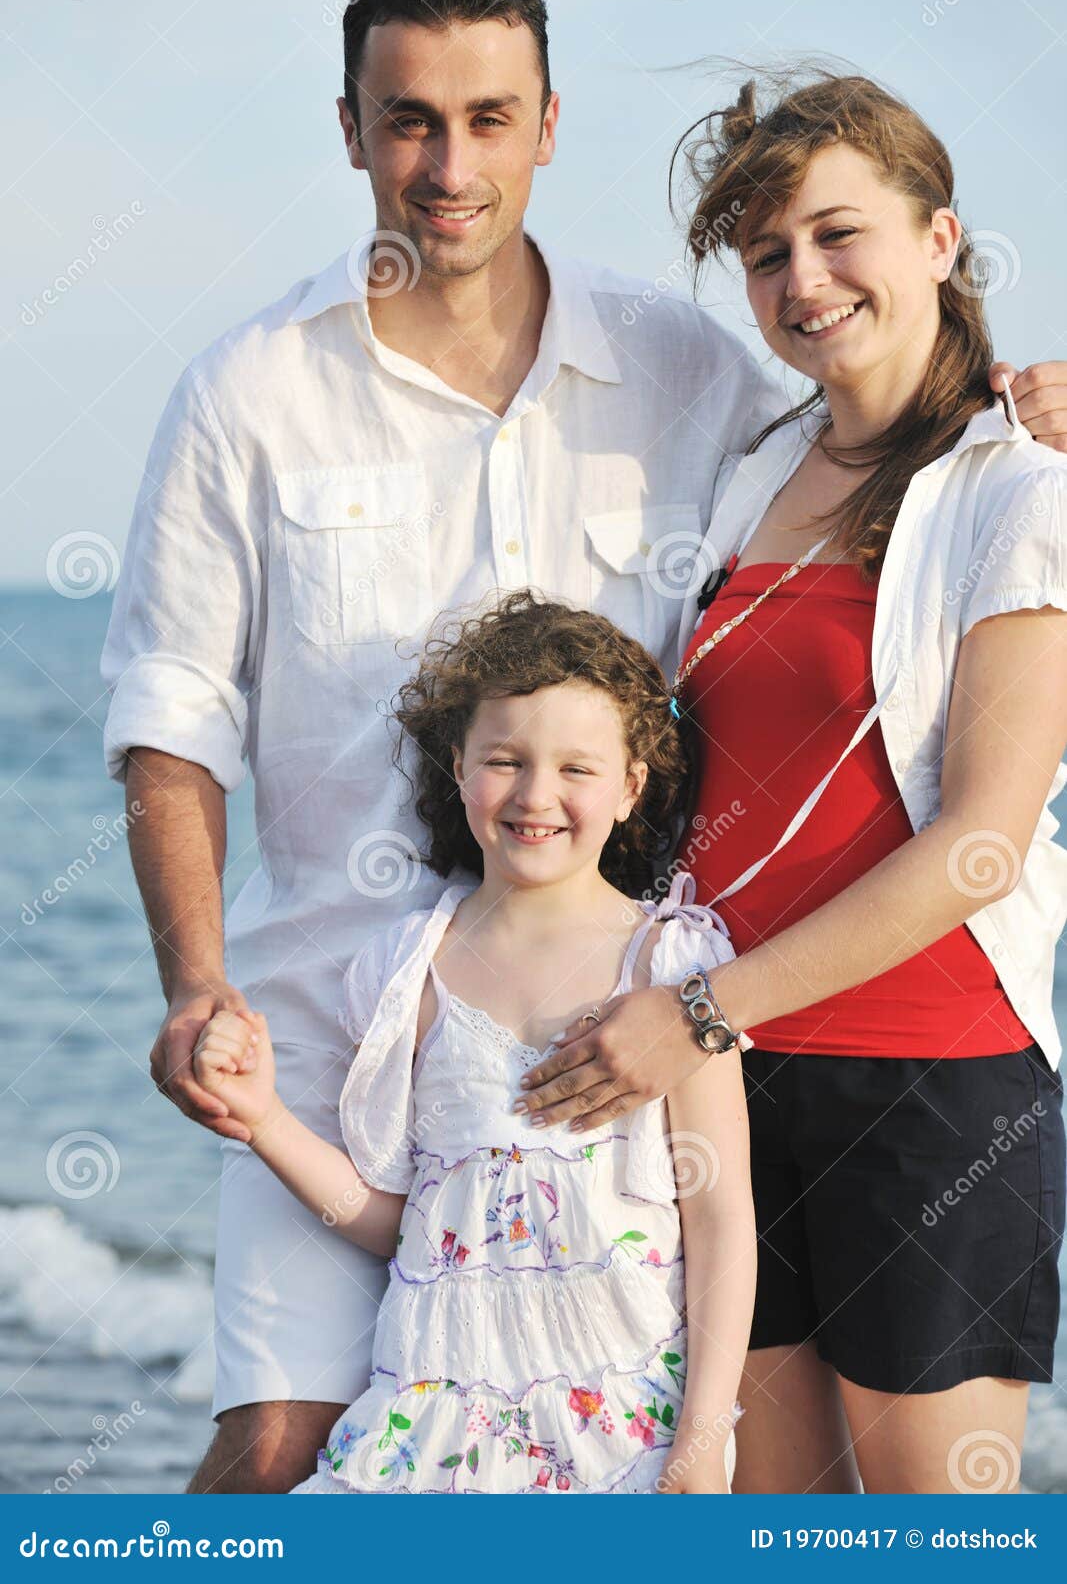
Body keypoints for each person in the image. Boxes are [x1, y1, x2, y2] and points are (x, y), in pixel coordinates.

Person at [98, 0, 1067, 1493]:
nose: (448, 162)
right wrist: (196, 983)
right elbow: (172, 712)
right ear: (350, 129)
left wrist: (1033, 412)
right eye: (408, 119)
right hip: (366, 1029)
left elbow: (914, 495)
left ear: (549, 124)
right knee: (285, 1441)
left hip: (659, 1045)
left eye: (488, 117)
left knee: (657, 1478)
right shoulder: (251, 391)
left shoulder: (691, 377)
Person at [516, 71, 1067, 1495]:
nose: (801, 281)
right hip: (732, 1090)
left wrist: (690, 1015)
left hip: (928, 1090)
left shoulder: (1018, 486)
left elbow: (980, 847)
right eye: (764, 254)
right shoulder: (746, 468)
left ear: (939, 240)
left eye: (838, 234)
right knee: (750, 1532)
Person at [190, 592, 757, 1493]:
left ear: (631, 786)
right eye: (505, 760)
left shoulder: (670, 968)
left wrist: (702, 1441)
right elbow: (396, 1220)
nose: (536, 795)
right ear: (457, 768)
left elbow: (722, 1225)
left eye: (577, 767)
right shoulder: (407, 971)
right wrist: (261, 1119)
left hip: (618, 1427)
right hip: (429, 1424)